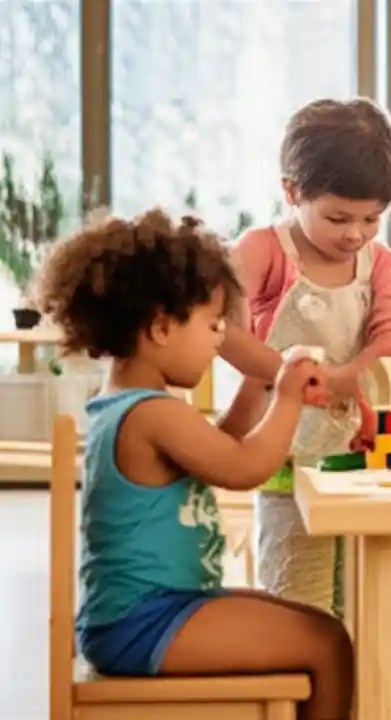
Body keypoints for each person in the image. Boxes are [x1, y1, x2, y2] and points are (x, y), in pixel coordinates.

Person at [36, 209, 353, 720]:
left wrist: (260, 385)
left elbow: (219, 447)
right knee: (327, 643)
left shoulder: (133, 403)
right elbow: (244, 466)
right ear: (161, 327)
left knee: (320, 626)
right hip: (147, 622)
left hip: (151, 612)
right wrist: (289, 399)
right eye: (212, 325)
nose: (219, 340)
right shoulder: (151, 414)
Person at [219, 97, 391, 617]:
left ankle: (352, 697)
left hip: (358, 449)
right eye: (338, 217)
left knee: (360, 598)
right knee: (296, 595)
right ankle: (304, 695)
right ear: (291, 192)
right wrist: (295, 378)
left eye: (373, 218)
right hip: (282, 449)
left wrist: (345, 378)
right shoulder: (263, 249)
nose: (356, 233)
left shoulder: (382, 263)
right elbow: (226, 334)